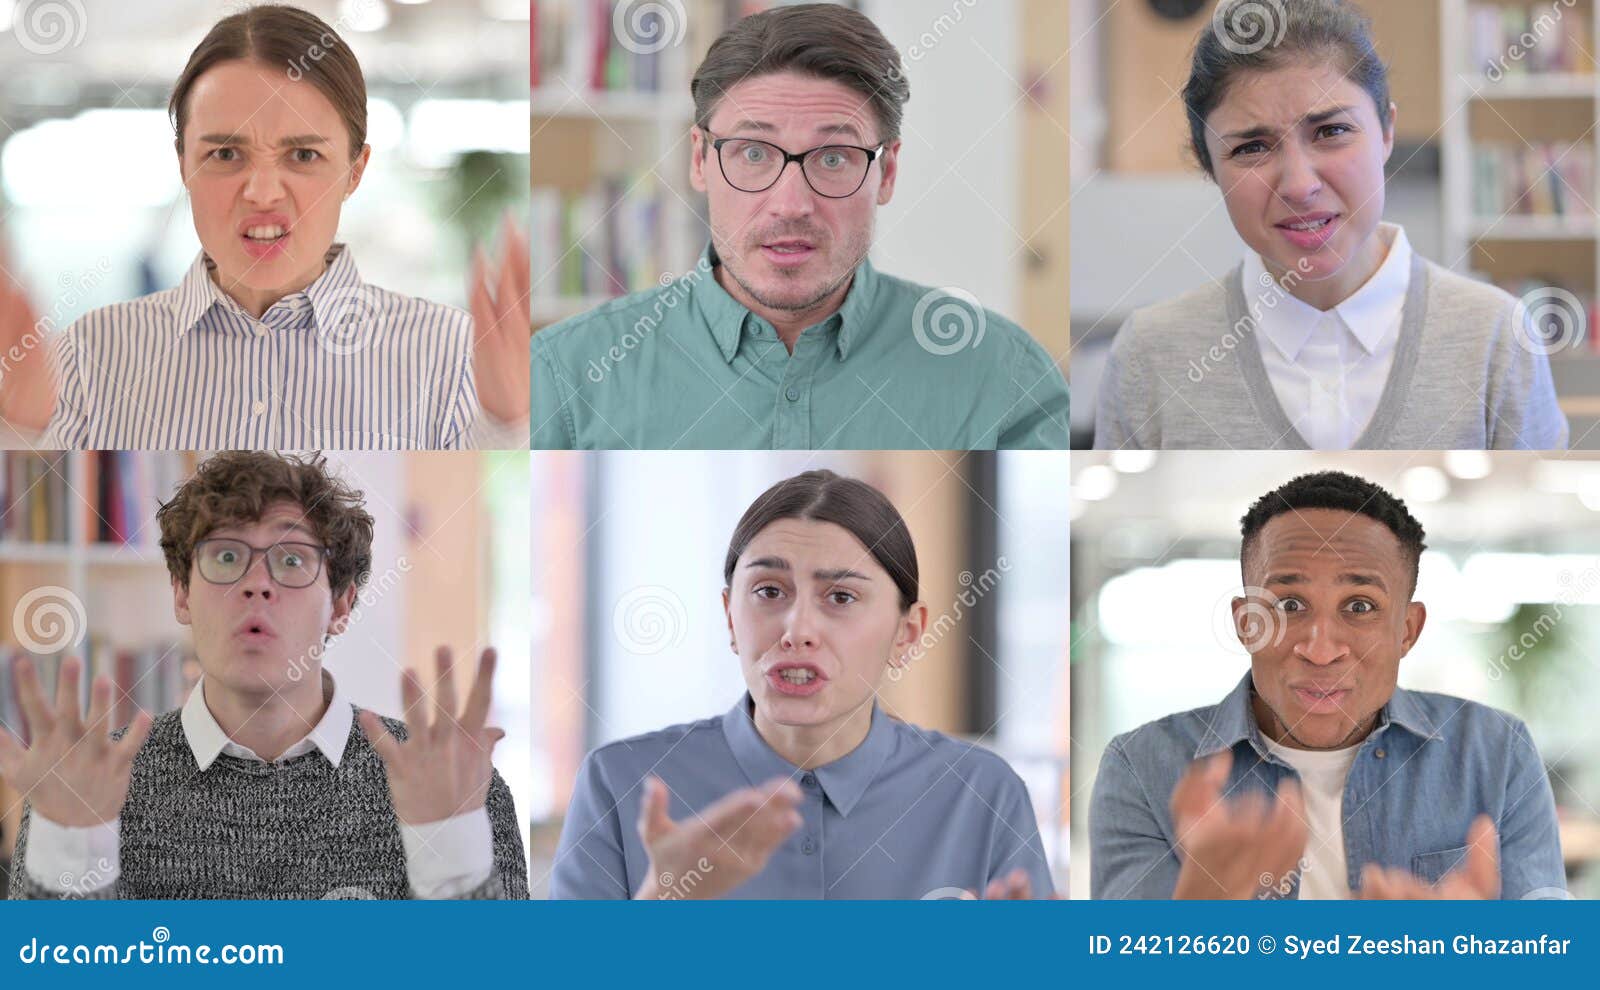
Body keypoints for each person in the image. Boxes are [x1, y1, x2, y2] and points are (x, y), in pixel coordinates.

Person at [531, 3, 1069, 450]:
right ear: (699, 160)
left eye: (833, 158)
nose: (791, 205)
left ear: (886, 171)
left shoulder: (1005, 377)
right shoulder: (565, 375)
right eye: (753, 153)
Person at [0, 450, 528, 899]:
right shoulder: (85, 784)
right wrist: (72, 847)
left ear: (341, 605)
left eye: (292, 560)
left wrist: (452, 850)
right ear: (182, 594)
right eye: (227, 556)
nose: (257, 584)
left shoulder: (451, 783)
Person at [0, 4, 530, 450]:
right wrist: (16, 440)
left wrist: (509, 430)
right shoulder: (87, 360)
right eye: (226, 154)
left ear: (355, 170)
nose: (262, 192)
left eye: (303, 155)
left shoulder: (450, 358)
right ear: (184, 164)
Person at [552, 470, 1052, 899]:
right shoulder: (618, 783)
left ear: (908, 633)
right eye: (770, 591)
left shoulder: (984, 793)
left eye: (841, 597)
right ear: (730, 617)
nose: (797, 630)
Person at [1093, 0, 1566, 450]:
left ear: (1386, 132)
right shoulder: (1150, 355)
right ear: (1210, 167)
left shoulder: (1496, 339)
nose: (1299, 185)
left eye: (1331, 131)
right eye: (1252, 148)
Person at [1089, 471, 1566, 899]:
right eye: (1289, 605)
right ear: (1246, 623)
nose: (1320, 650)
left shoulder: (1498, 753)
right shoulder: (1141, 768)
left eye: (1359, 606)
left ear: (1407, 630)